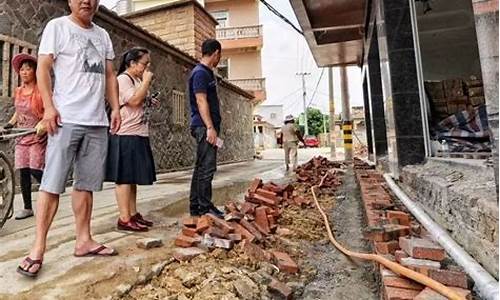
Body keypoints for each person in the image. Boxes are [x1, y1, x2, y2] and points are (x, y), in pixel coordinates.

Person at [17, 0, 121, 278]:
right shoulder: (58, 27)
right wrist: (49, 108)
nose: (86, 0)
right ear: (70, 1)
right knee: (51, 184)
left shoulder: (103, 35)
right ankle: (37, 248)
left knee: (86, 185)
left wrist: (116, 108)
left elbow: (110, 74)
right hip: (66, 119)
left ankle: (84, 240)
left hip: (97, 121)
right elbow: (42, 69)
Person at [105, 47, 157, 232]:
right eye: (144, 63)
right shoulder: (122, 79)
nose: (147, 67)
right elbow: (134, 101)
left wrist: (149, 97)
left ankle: (133, 214)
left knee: (133, 177)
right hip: (125, 133)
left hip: (139, 133)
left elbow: (140, 100)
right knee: (124, 178)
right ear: (132, 63)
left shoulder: (136, 80)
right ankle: (124, 218)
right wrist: (146, 83)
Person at [5, 54, 46, 220]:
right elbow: (18, 111)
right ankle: (28, 207)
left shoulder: (41, 90)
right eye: (22, 69)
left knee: (35, 169)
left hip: (36, 135)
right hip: (21, 136)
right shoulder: (19, 91)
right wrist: (10, 124)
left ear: (34, 71)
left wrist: (42, 124)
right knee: (23, 171)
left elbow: (48, 111)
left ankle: (50, 193)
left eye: (28, 69)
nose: (24, 72)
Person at [188, 39, 224, 218]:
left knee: (201, 167)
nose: (219, 59)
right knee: (207, 168)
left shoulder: (206, 73)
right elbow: (201, 100)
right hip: (204, 127)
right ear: (216, 53)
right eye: (220, 56)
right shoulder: (200, 73)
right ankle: (205, 208)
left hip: (206, 126)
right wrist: (210, 127)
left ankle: (196, 206)